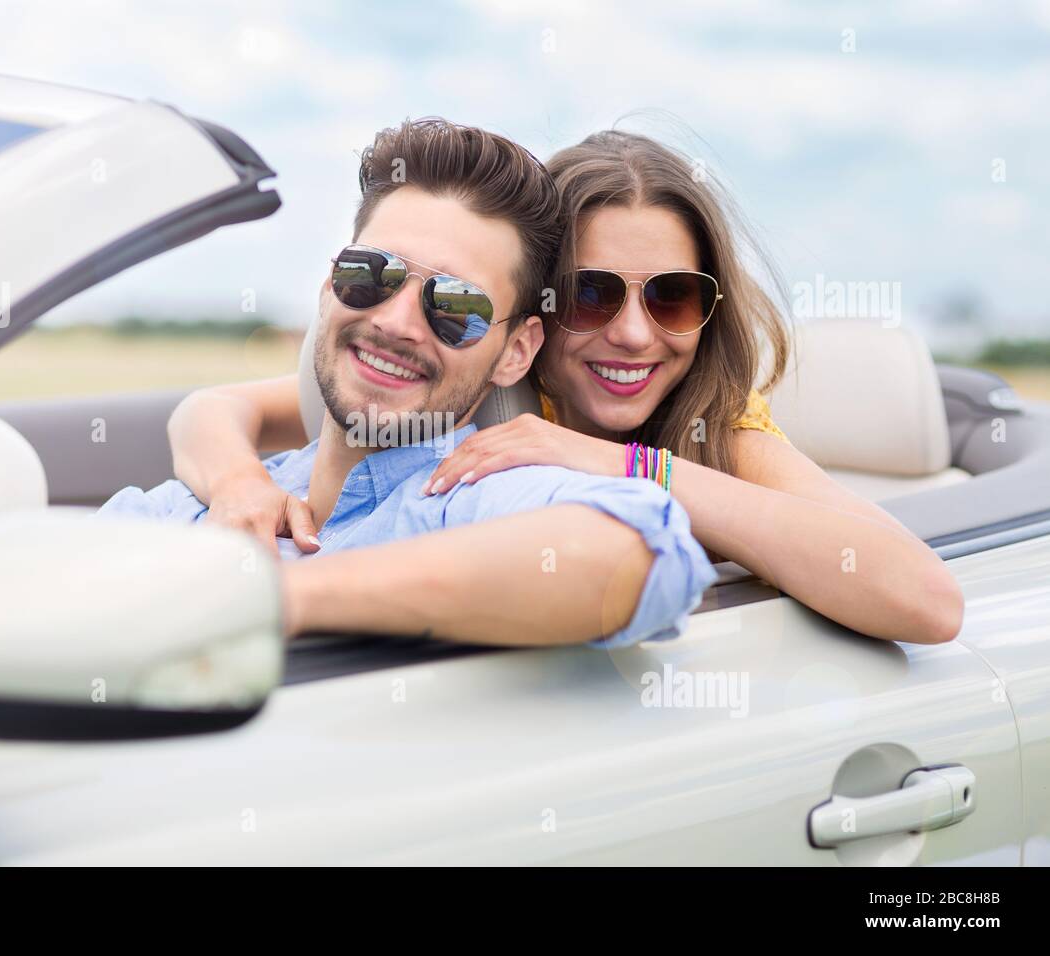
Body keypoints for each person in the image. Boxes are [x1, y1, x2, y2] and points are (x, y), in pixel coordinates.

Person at [166, 125, 963, 646]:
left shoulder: (717, 427)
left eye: (672, 295)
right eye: (593, 293)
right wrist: (238, 485)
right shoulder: (457, 379)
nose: (633, 332)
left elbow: (925, 599)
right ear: (528, 326)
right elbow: (219, 408)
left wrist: (618, 463)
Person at [100, 118, 716, 649]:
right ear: (328, 290)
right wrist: (238, 487)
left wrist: (271, 597)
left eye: (456, 304)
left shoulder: (478, 503)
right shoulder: (187, 508)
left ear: (516, 352)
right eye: (371, 274)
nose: (394, 322)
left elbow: (641, 552)